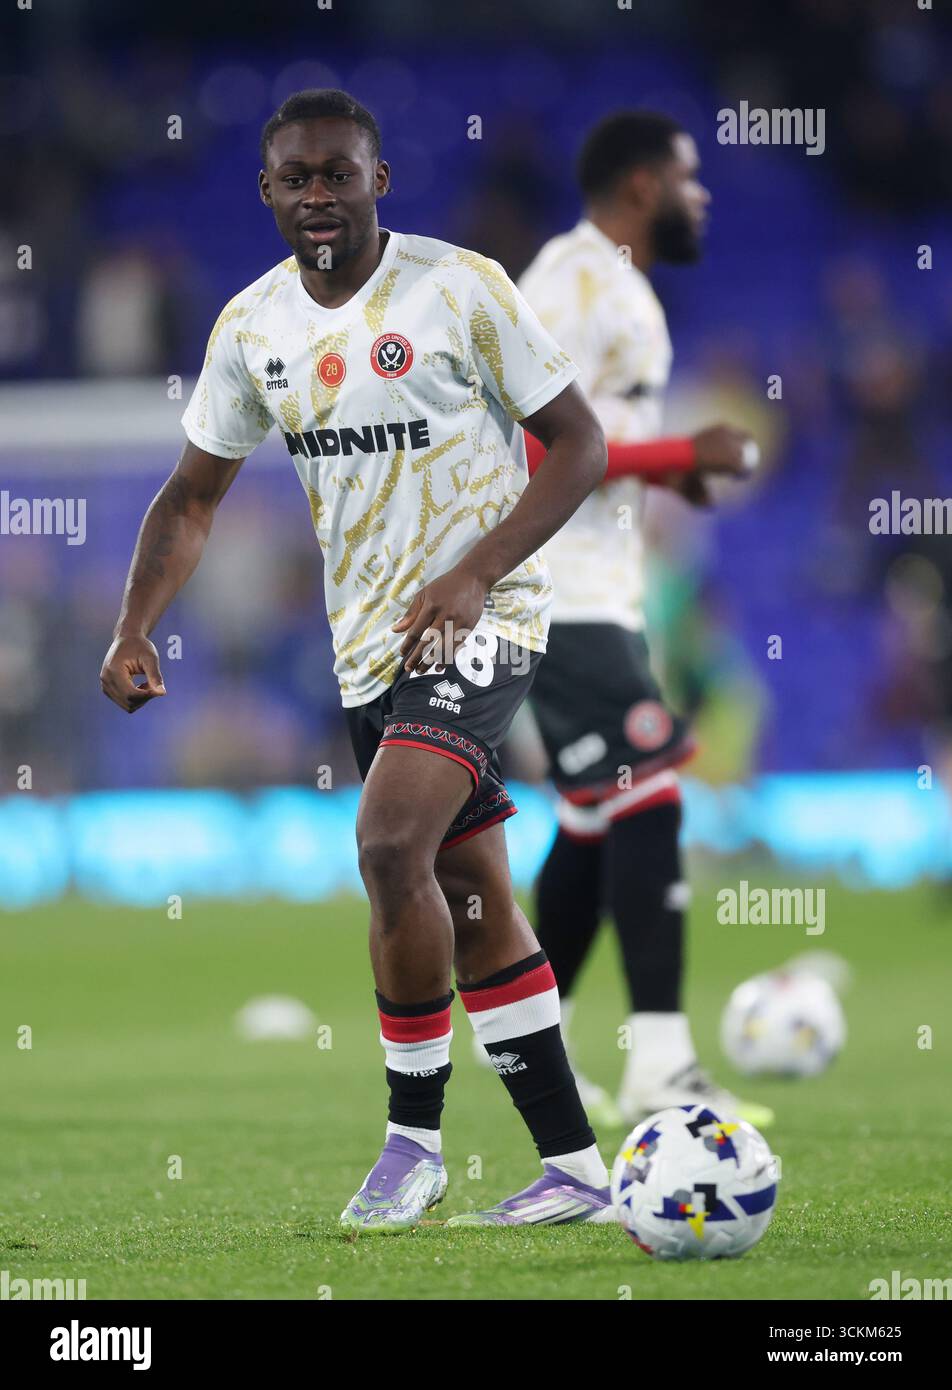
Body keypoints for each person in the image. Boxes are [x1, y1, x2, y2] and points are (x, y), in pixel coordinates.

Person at [100, 89, 616, 1232]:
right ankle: (575, 1166)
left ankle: (410, 1147)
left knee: (389, 844)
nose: (320, 196)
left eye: (341, 174)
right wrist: (137, 624)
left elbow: (580, 444)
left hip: (488, 615)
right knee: (472, 891)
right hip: (367, 646)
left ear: (381, 180)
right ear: (270, 193)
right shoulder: (251, 329)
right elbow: (193, 497)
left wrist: (477, 571)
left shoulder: (459, 288)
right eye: (299, 179)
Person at [510, 110, 773, 1129]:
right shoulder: (572, 285)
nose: (700, 195)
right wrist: (678, 456)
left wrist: (679, 476)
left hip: (601, 589)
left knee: (591, 816)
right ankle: (660, 1058)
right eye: (687, 177)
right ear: (637, 187)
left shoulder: (620, 290)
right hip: (549, 588)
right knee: (649, 788)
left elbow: (596, 447)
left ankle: (533, 1046)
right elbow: (529, 448)